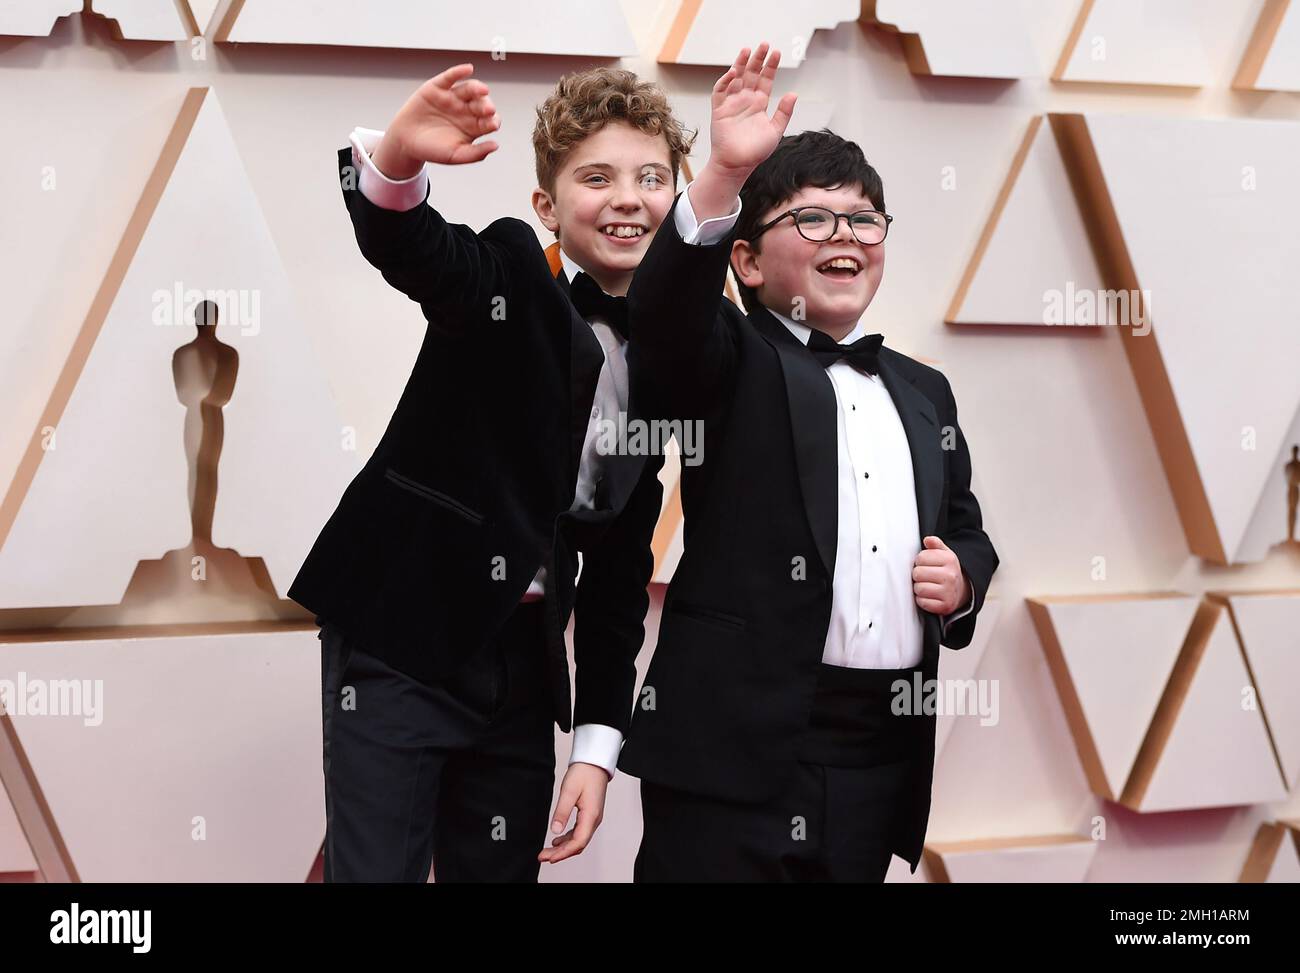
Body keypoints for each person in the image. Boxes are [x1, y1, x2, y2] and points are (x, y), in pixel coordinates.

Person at [289, 61, 727, 881]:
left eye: (651, 178)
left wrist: (596, 747)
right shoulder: (512, 270)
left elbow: (618, 568)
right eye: (597, 177)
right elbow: (418, 251)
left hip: (524, 666)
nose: (628, 197)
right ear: (547, 207)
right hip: (401, 635)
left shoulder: (672, 359)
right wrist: (398, 163)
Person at [620, 44, 1000, 881]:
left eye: (864, 219)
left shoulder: (924, 390)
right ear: (748, 262)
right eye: (813, 219)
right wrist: (721, 173)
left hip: (875, 754)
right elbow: (663, 318)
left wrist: (964, 576)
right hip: (735, 753)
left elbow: (967, 528)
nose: (846, 236)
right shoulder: (730, 358)